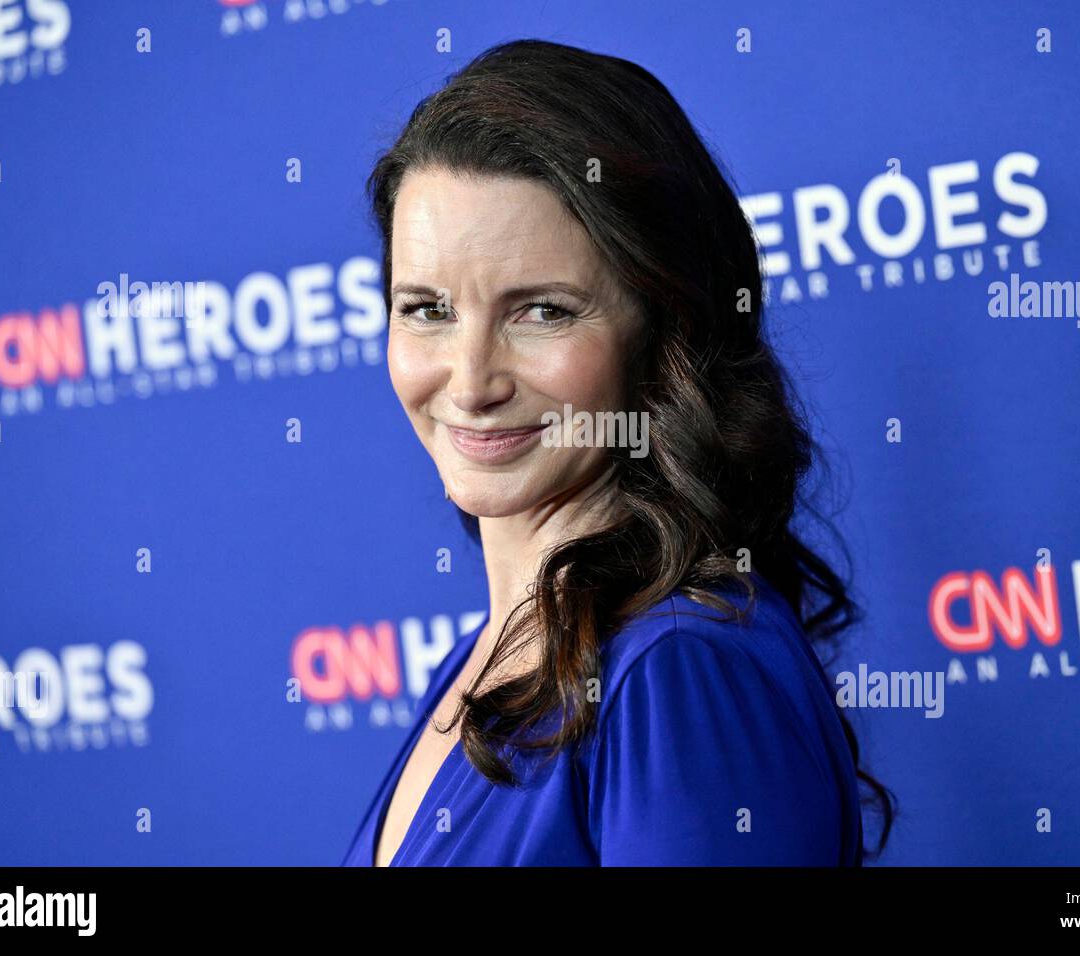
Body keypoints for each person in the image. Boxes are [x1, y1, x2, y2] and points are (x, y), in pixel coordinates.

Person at [341, 37, 894, 867]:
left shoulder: (678, 669)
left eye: (544, 312)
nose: (470, 380)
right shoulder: (489, 656)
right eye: (427, 309)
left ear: (661, 330)